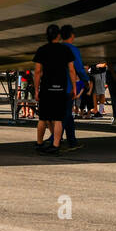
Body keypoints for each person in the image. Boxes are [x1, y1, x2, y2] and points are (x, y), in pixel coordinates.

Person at [32, 24, 76, 155]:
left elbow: (38, 71)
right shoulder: (65, 50)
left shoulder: (42, 50)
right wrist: (73, 87)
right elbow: (72, 70)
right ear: (58, 35)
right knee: (58, 118)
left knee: (43, 118)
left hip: (46, 87)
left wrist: (36, 89)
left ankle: (39, 143)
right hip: (60, 88)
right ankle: (56, 145)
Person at [57, 25, 87, 153]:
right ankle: (54, 140)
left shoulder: (56, 48)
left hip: (53, 85)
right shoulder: (73, 49)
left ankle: (72, 141)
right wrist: (86, 80)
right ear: (72, 35)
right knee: (65, 115)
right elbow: (78, 68)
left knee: (67, 115)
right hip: (67, 86)